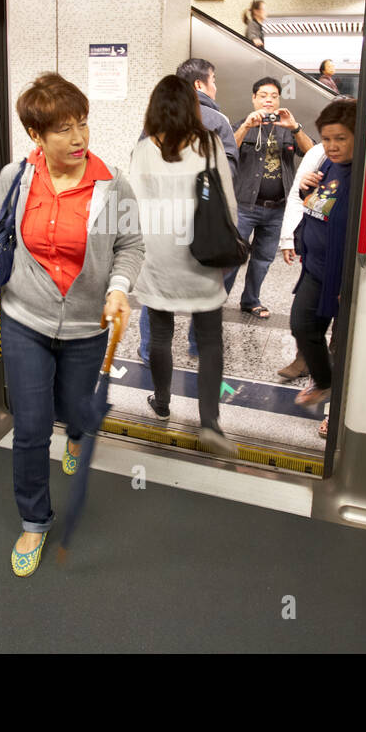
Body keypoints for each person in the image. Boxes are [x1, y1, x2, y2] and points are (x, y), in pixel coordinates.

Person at [0, 73, 143, 578]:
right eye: (63, 130)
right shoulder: (16, 176)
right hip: (25, 319)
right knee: (31, 426)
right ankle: (35, 520)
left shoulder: (112, 183)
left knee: (76, 409)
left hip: (87, 327)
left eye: (82, 124)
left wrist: (119, 288)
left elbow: (131, 247)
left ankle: (79, 434)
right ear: (36, 136)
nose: (79, 139)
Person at [129, 76, 237, 457]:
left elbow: (133, 210)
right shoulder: (208, 144)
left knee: (160, 334)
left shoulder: (143, 150)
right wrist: (228, 250)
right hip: (201, 252)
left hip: (157, 256)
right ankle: (209, 422)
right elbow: (226, 203)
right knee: (209, 342)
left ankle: (161, 404)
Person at [137, 57, 236, 364]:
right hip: (202, 225)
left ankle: (149, 348)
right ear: (198, 85)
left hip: (162, 227)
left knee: (156, 297)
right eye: (214, 80)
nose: (215, 86)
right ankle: (197, 345)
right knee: (206, 287)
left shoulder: (154, 127)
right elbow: (227, 175)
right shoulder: (217, 124)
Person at [289, 99, 354, 434]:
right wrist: (305, 191)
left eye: (340, 138)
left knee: (343, 349)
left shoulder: (364, 177)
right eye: (327, 138)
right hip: (315, 269)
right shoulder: (328, 165)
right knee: (302, 326)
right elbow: (317, 207)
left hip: (343, 279)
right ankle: (325, 382)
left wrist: (350, 284)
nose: (331, 146)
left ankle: (339, 411)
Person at [225, 77, 315, 320]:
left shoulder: (287, 127)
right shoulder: (241, 124)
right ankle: (216, 300)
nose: (268, 99)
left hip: (277, 209)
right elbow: (225, 152)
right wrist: (245, 127)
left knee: (263, 259)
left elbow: (313, 153)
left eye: (274, 96)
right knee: (232, 257)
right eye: (263, 95)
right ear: (254, 98)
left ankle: (250, 300)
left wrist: (294, 128)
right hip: (244, 206)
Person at [278, 140, 327, 382]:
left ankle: (332, 365)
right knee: (306, 314)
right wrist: (288, 238)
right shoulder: (321, 152)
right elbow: (298, 195)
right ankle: (303, 357)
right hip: (316, 248)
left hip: (348, 251)